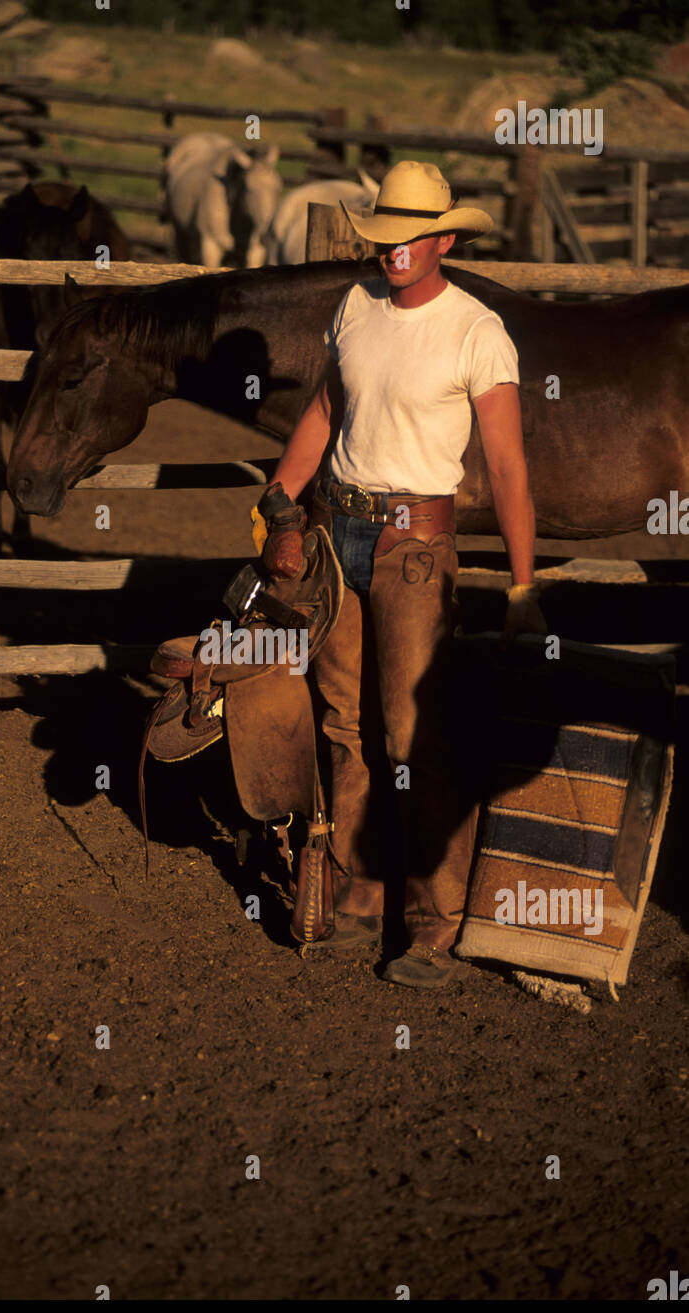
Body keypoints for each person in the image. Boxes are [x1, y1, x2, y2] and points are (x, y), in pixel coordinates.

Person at [253, 160, 547, 988]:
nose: (392, 251)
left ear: (444, 240)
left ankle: (430, 928)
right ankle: (357, 898)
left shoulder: (476, 330)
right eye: (385, 236)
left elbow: (509, 466)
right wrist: (279, 496)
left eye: (410, 238)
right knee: (344, 723)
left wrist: (522, 588)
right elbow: (324, 412)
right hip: (334, 529)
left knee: (413, 734)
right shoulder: (355, 309)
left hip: (415, 546)